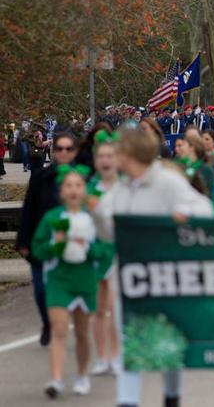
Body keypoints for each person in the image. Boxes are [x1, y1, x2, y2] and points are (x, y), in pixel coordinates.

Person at [93, 128, 213, 407]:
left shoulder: (167, 182)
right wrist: (98, 213)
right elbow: (108, 232)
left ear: (130, 153)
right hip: (131, 276)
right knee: (130, 341)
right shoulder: (121, 188)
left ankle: (172, 396)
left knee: (168, 341)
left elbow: (204, 208)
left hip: (166, 276)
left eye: (119, 150)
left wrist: (184, 217)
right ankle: (127, 401)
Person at [32, 165, 113, 398]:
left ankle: (81, 376)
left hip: (85, 278)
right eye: (69, 186)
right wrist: (53, 245)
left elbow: (106, 249)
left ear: (84, 189)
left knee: (82, 332)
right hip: (59, 279)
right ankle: (56, 379)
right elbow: (38, 248)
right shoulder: (52, 218)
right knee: (58, 329)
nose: (74, 190)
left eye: (78, 185)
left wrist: (88, 248)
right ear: (62, 191)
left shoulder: (93, 218)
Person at [17, 133, 79, 346]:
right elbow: (28, 209)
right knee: (41, 290)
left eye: (68, 149)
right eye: (59, 148)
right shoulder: (40, 177)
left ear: (74, 152)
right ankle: (48, 323)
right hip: (42, 243)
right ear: (53, 152)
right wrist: (23, 241)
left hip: (72, 243)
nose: (63, 152)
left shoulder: (82, 179)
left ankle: (65, 324)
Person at [85, 132, 121, 377]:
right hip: (97, 250)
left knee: (115, 306)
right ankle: (101, 357)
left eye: (110, 155)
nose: (106, 160)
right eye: (102, 156)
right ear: (96, 160)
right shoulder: (89, 188)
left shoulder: (127, 187)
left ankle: (117, 356)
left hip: (120, 251)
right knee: (98, 308)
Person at [174, 132, 214, 198]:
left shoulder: (206, 170)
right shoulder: (177, 166)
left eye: (183, 145)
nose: (180, 148)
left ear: (192, 147)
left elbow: (209, 195)